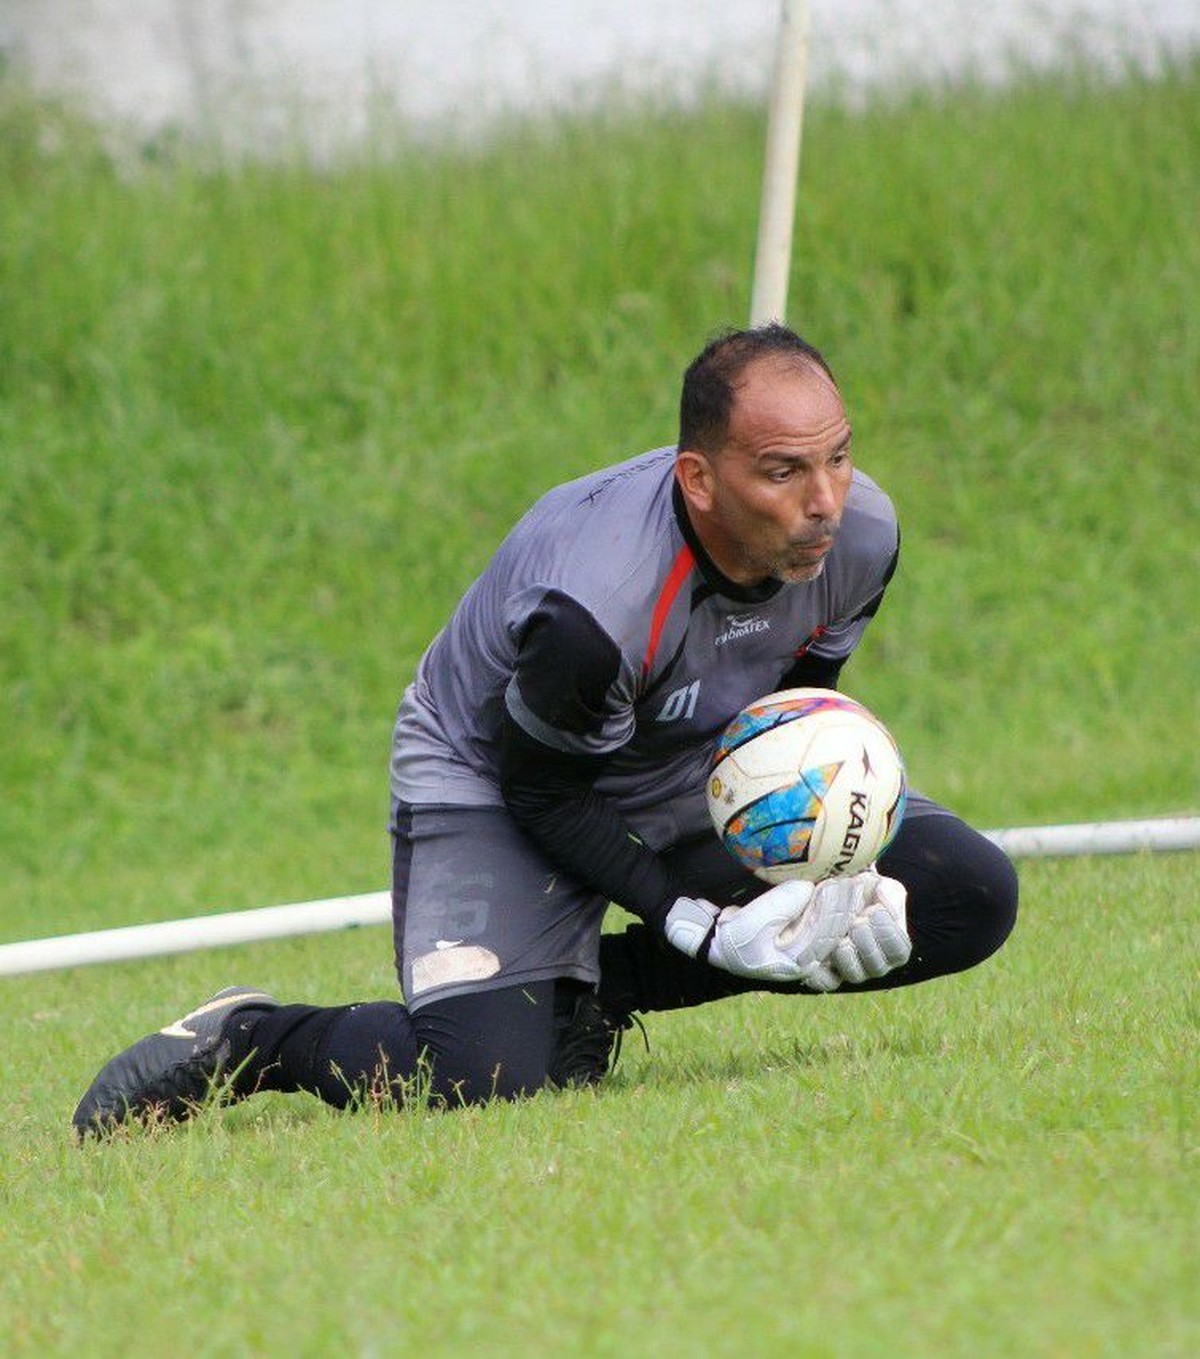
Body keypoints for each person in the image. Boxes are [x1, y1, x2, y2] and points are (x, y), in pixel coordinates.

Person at [72, 323, 1018, 1135]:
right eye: (784, 471)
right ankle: (259, 1038)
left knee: (964, 895)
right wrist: (699, 925)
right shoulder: (595, 608)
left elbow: (793, 708)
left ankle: (583, 998)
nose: (825, 501)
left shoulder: (862, 536)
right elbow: (542, 787)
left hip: (690, 762)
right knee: (482, 1081)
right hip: (499, 775)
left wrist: (824, 863)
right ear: (698, 478)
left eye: (838, 457)